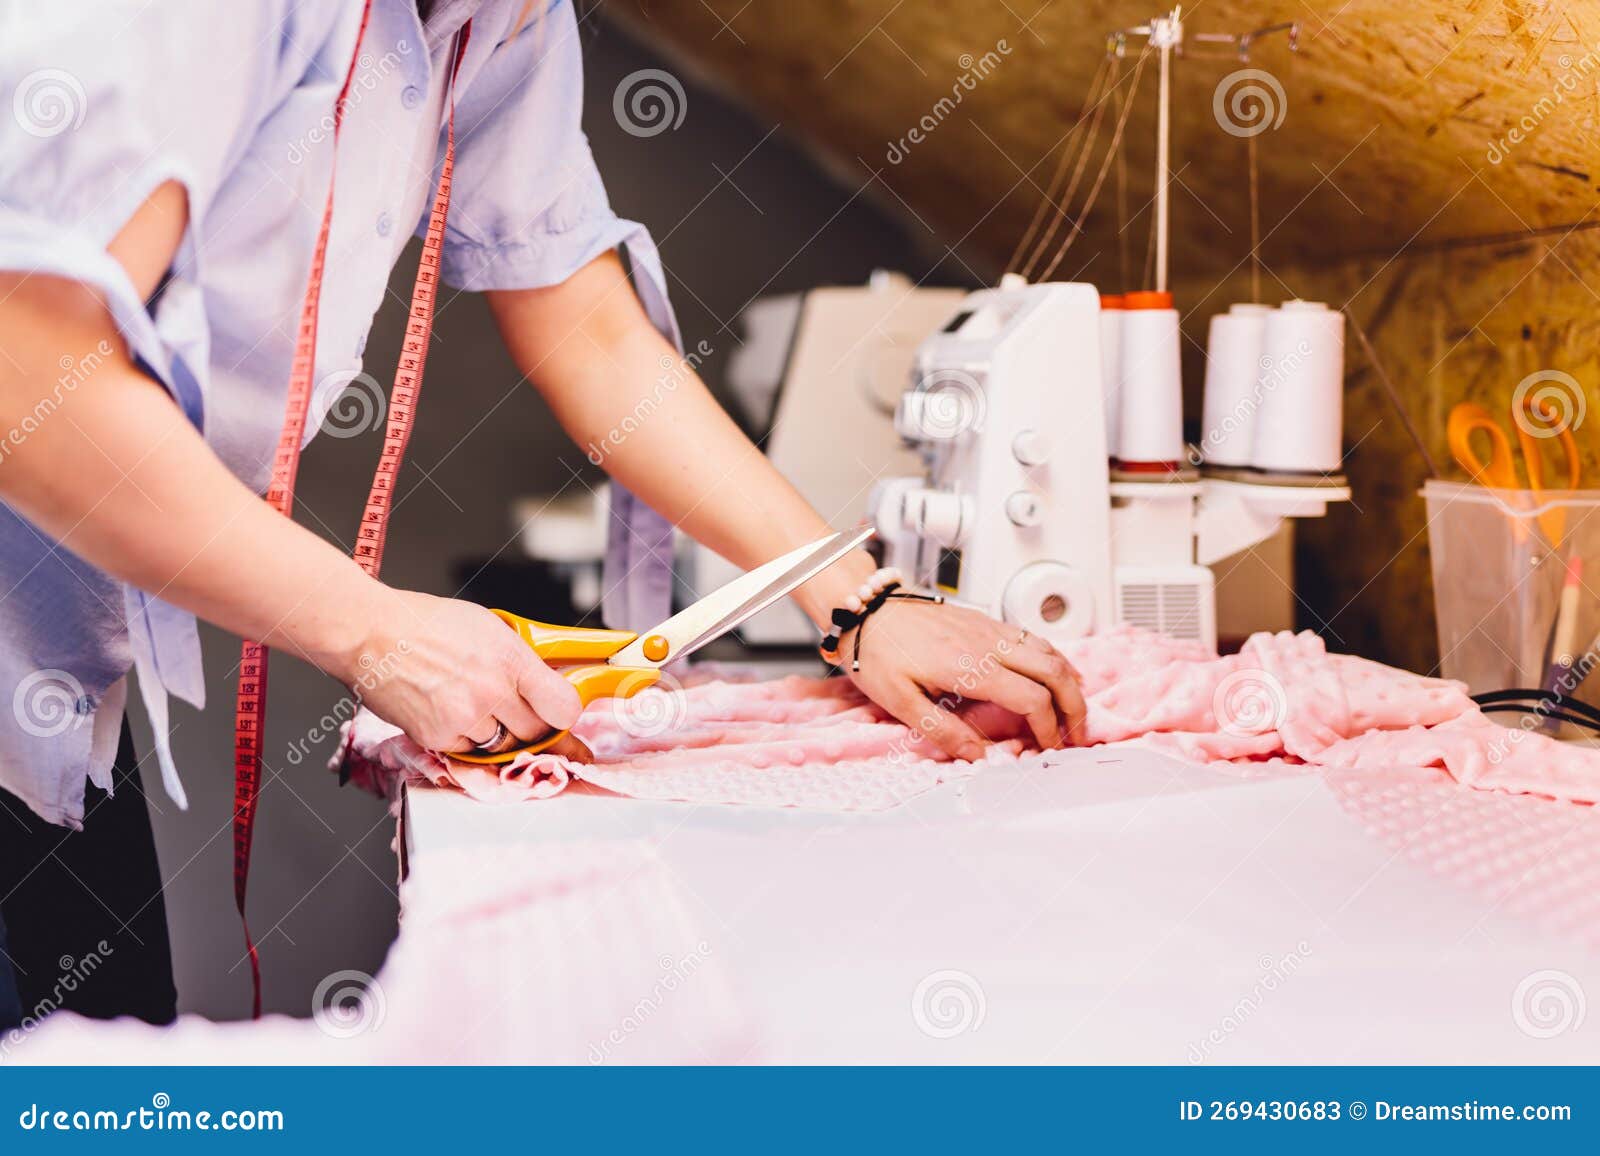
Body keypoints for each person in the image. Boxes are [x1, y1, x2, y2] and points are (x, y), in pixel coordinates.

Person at [0, 0, 1085, 1030]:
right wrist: (374, 629)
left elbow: (589, 325)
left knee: (92, 1064)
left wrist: (861, 598)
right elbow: (26, 372)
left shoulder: (499, 22)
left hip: (36, 677)